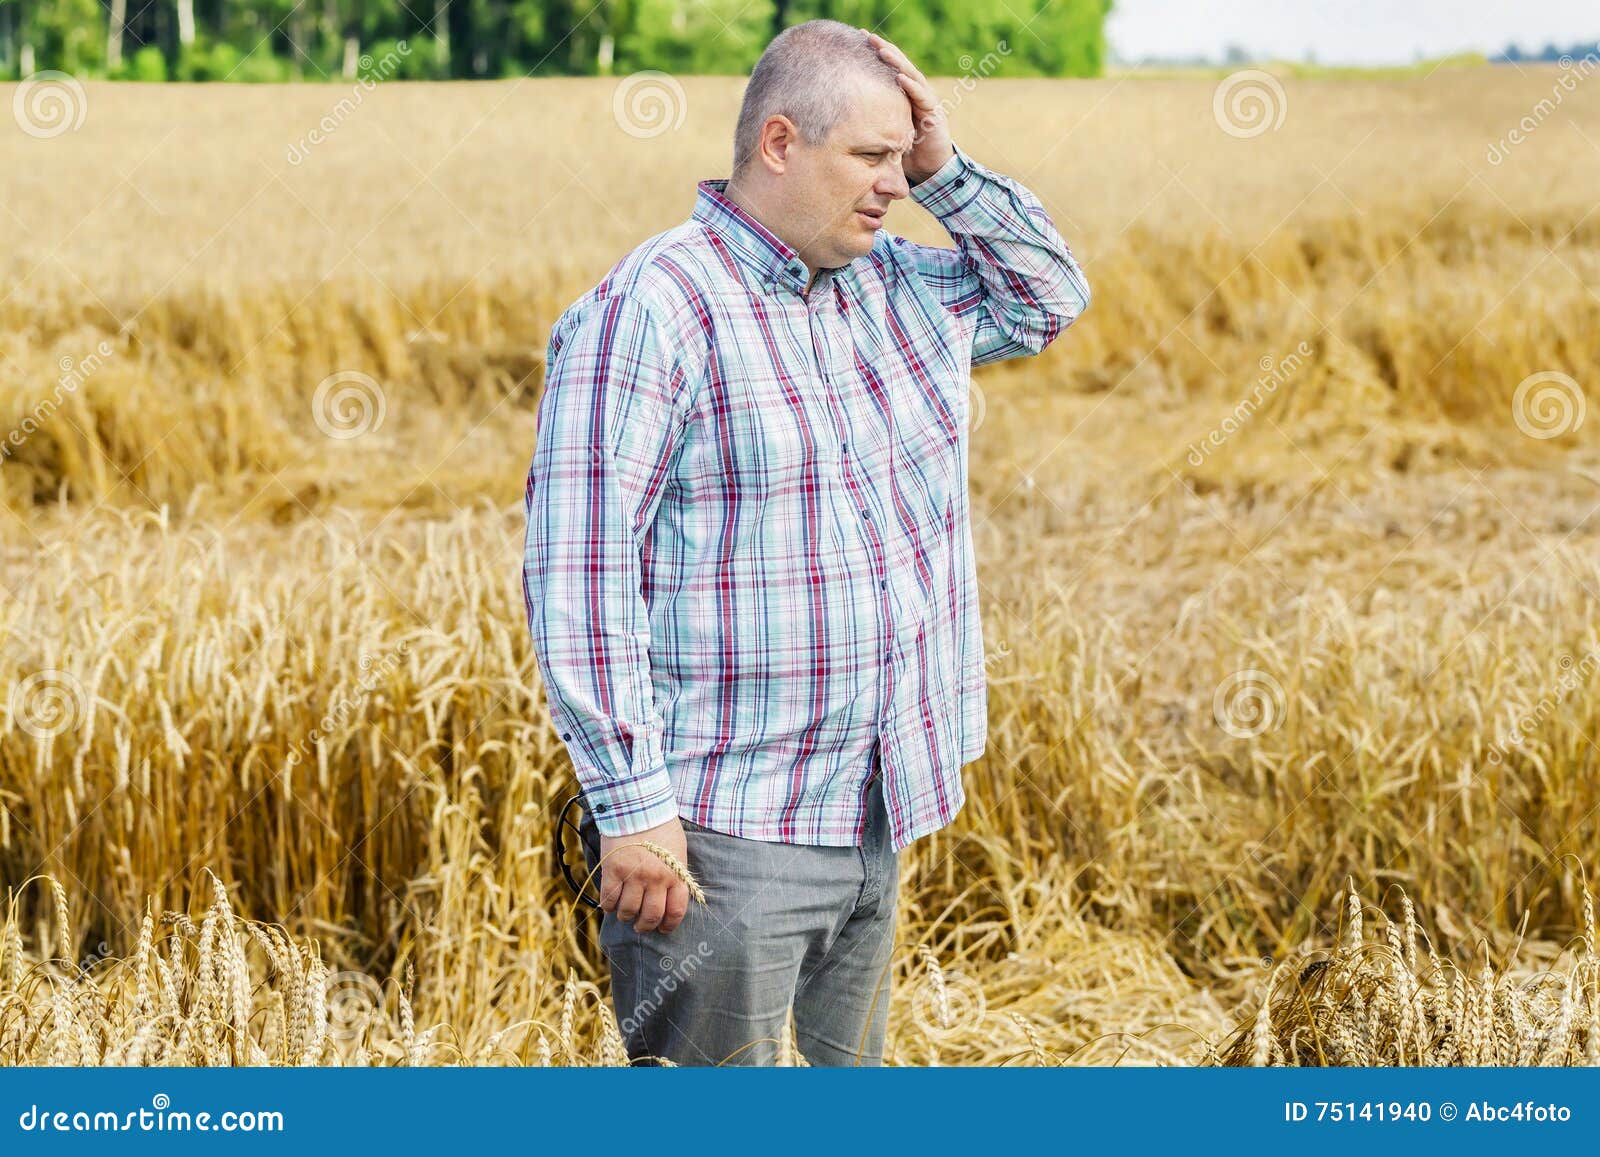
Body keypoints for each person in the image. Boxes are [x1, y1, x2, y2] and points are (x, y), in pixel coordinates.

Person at [522, 18, 1090, 1066]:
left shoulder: (899, 288)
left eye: (901, 158)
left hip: (877, 808)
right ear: (779, 143)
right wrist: (634, 810)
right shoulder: (655, 307)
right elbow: (579, 574)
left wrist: (947, 168)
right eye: (871, 157)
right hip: (721, 835)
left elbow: (1049, 296)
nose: (894, 183)